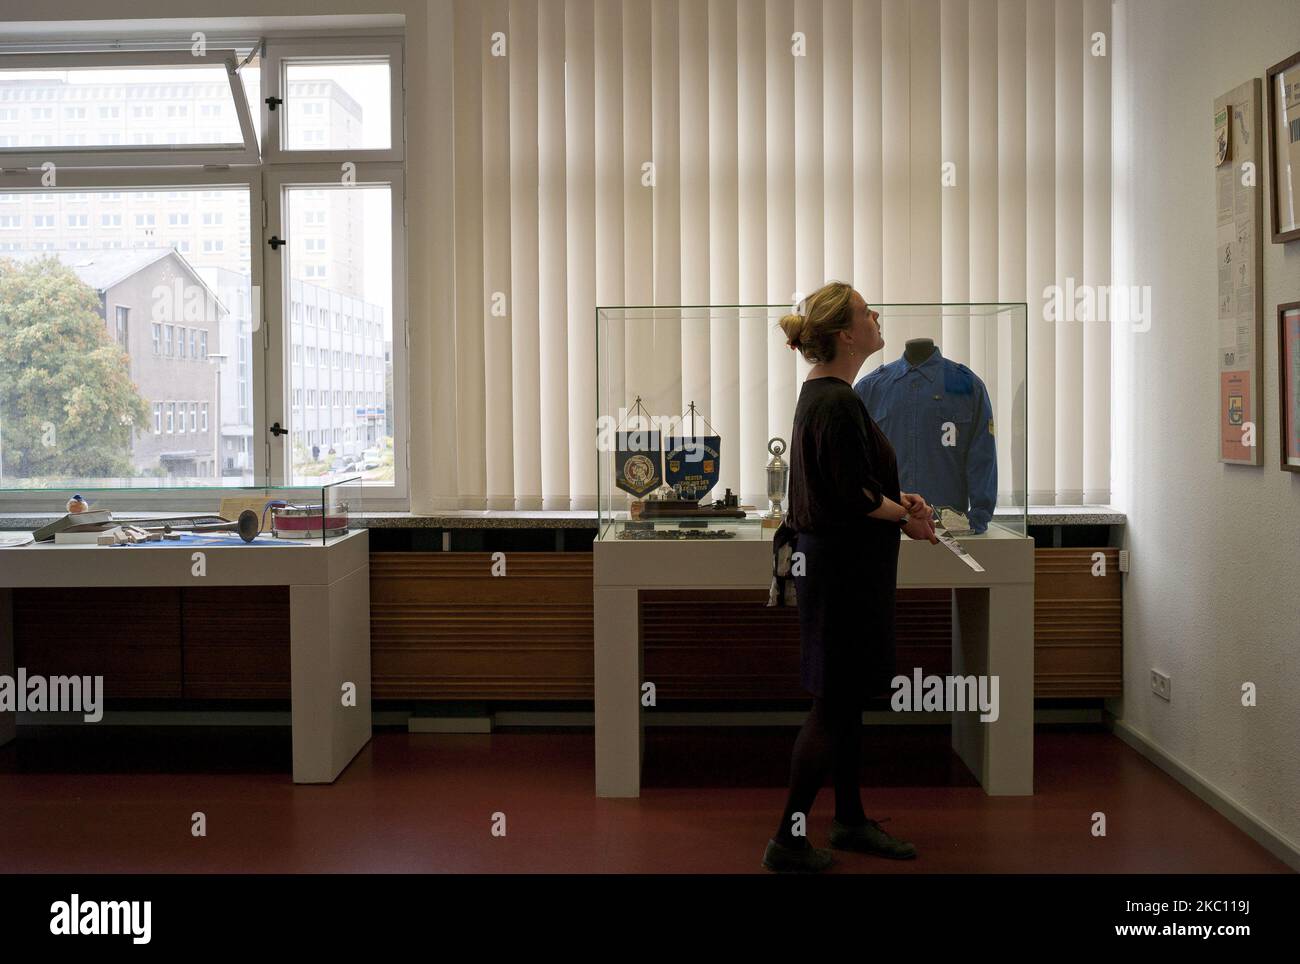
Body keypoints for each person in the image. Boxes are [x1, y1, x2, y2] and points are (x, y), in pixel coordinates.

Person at [763, 281, 939, 874]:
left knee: (843, 701)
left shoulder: (828, 394)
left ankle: (850, 819)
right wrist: (904, 517)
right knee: (833, 704)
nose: (876, 318)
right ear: (845, 334)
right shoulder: (836, 399)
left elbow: (854, 484)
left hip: (840, 566)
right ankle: (787, 841)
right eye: (867, 313)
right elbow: (850, 495)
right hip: (844, 570)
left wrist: (897, 500)